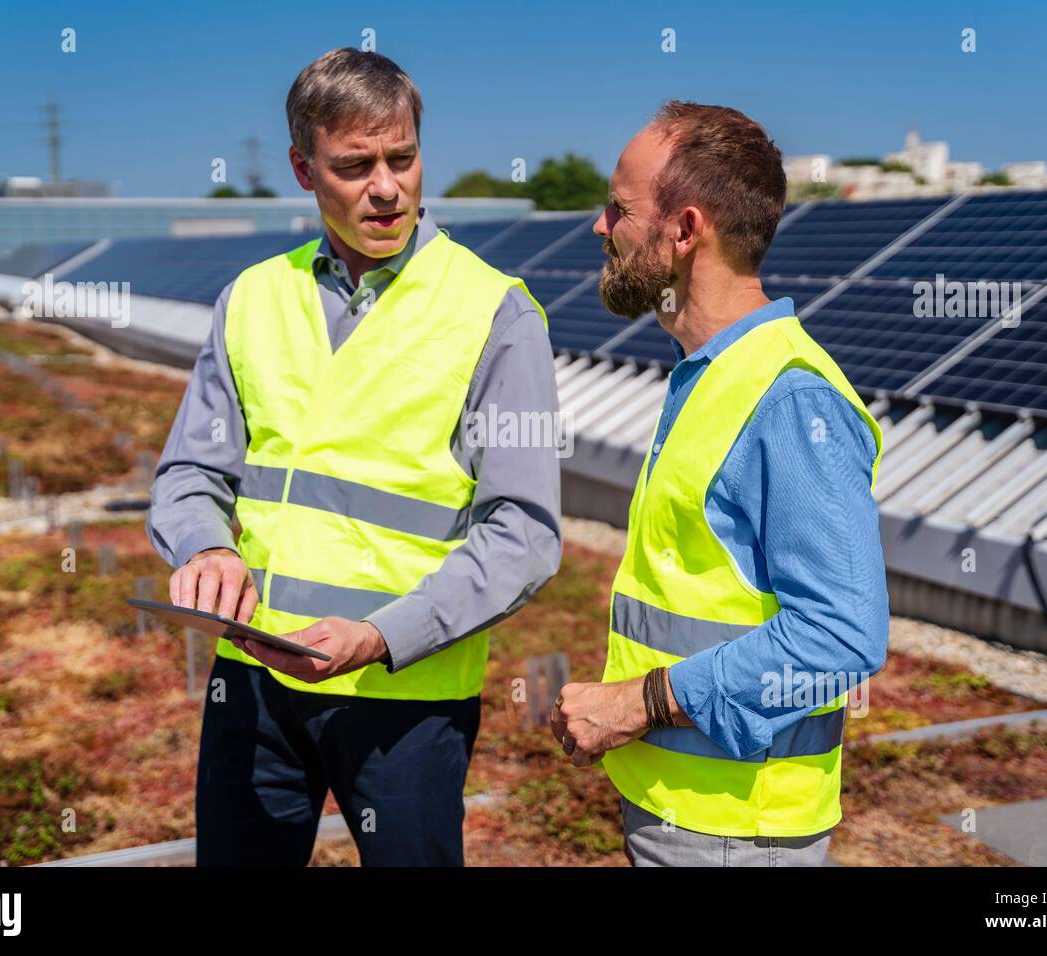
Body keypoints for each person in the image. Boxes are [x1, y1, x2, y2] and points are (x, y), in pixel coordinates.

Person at [147, 47, 562, 866]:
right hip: (254, 680)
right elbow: (191, 473)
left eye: (402, 159)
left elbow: (525, 535)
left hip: (405, 699)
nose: (386, 187)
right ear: (304, 170)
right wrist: (204, 546)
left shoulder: (496, 313)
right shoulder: (253, 297)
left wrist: (379, 637)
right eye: (355, 165)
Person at [550, 101, 889, 867]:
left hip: (738, 833)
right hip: (691, 816)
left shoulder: (790, 400)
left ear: (684, 229)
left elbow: (842, 637)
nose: (599, 229)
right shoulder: (708, 377)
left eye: (618, 209)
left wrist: (636, 704)